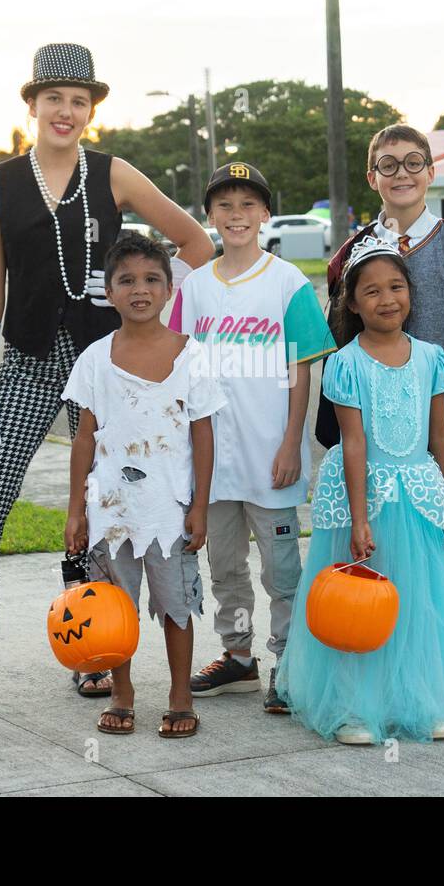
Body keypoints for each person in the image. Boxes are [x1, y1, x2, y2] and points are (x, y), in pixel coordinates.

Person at [0, 43, 213, 713]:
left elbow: (196, 244)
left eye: (79, 101)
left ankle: (93, 652)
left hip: (108, 365)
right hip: (29, 359)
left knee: (103, 506)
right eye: (54, 100)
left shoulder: (114, 174)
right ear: (33, 105)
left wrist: (146, 308)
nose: (66, 112)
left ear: (91, 109)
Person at [316, 123, 444, 717]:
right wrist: (338, 433)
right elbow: (339, 339)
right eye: (387, 164)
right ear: (372, 177)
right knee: (381, 560)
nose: (401, 173)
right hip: (375, 437)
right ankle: (376, 680)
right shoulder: (354, 253)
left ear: (431, 172)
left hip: (443, 430)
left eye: (413, 162)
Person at [278, 240, 444, 744]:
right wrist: (359, 518)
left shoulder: (432, 359)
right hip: (366, 496)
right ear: (352, 303)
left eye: (396, 287)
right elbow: (353, 443)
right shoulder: (347, 363)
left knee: (419, 601)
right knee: (358, 606)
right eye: (371, 291)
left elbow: (441, 436)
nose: (386, 299)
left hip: (417, 495)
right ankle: (355, 707)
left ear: (410, 294)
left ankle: (425, 701)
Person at [167, 162, 336, 712]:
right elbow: (174, 368)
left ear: (265, 213)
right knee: (227, 568)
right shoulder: (193, 289)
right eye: (225, 205)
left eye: (247, 205)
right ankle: (238, 658)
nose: (236, 215)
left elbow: (300, 372)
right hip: (212, 461)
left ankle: (288, 663)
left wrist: (293, 443)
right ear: (209, 215)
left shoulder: (287, 282)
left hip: (271, 456)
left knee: (282, 570)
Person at [61, 234, 226, 737]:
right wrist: (76, 509)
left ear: (169, 289)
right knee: (114, 608)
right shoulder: (94, 359)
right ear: (109, 292)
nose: (140, 289)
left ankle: (180, 696)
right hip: (111, 513)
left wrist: (199, 506)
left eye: (152, 279)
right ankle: (121, 691)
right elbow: (84, 438)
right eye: (126, 280)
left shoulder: (191, 355)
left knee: (177, 606)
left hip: (168, 511)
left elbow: (204, 435)